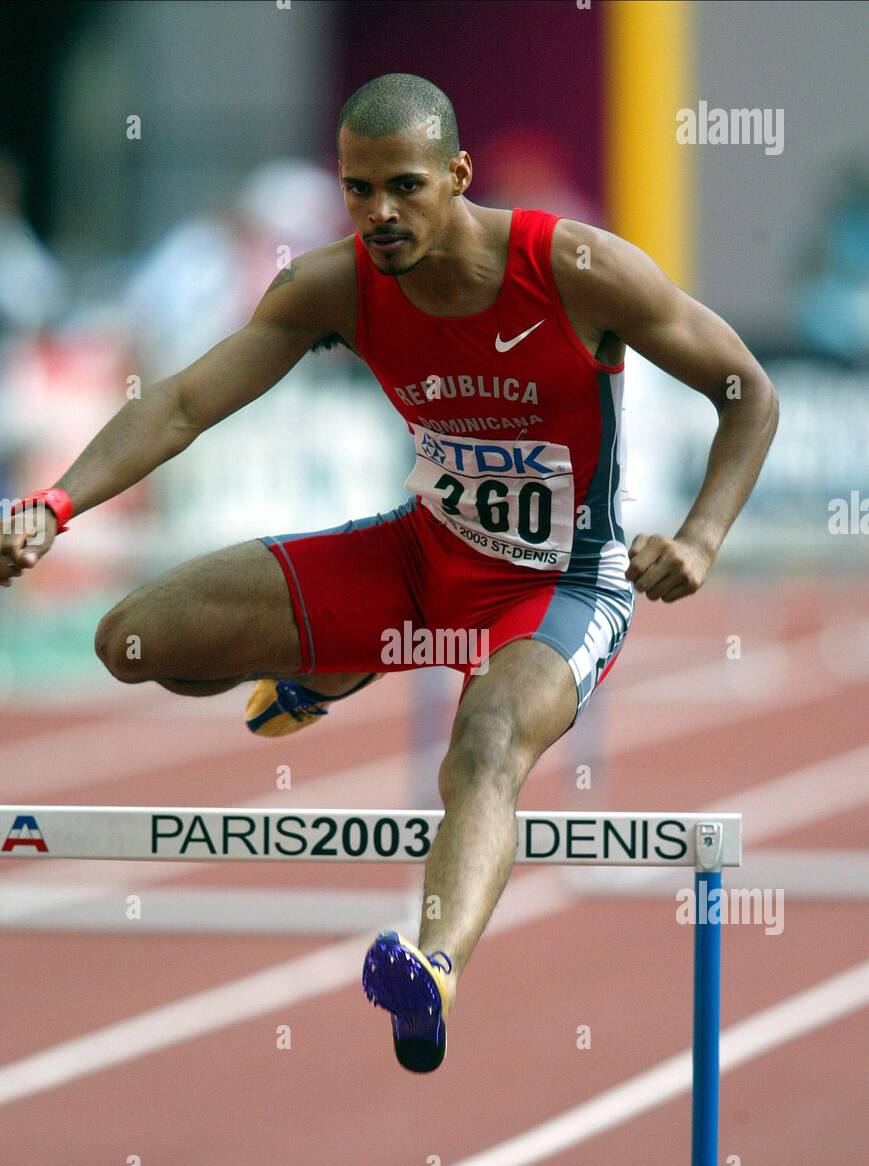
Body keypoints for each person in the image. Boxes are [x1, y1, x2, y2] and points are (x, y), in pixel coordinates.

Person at [1, 74, 779, 1073]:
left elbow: (744, 391)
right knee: (133, 640)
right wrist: (55, 506)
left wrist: (700, 538)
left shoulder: (572, 266)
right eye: (356, 190)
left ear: (456, 175)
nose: (378, 215)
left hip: (556, 587)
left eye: (402, 187)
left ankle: (431, 967)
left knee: (486, 741)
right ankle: (334, 664)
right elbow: (188, 401)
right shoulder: (331, 285)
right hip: (417, 557)